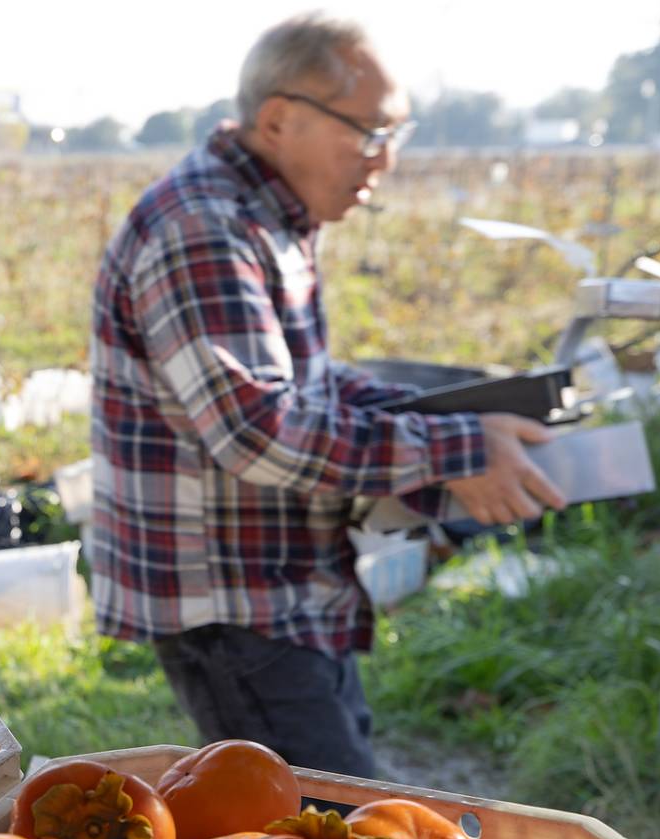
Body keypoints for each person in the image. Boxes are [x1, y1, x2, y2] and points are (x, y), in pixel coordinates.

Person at [88, 12, 566, 776]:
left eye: (397, 135)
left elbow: (300, 382)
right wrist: (458, 450)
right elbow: (259, 428)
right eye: (372, 133)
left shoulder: (269, 220)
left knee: (324, 819)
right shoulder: (205, 229)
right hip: (233, 603)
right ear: (279, 120)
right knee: (333, 831)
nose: (386, 160)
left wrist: (451, 416)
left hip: (286, 585)